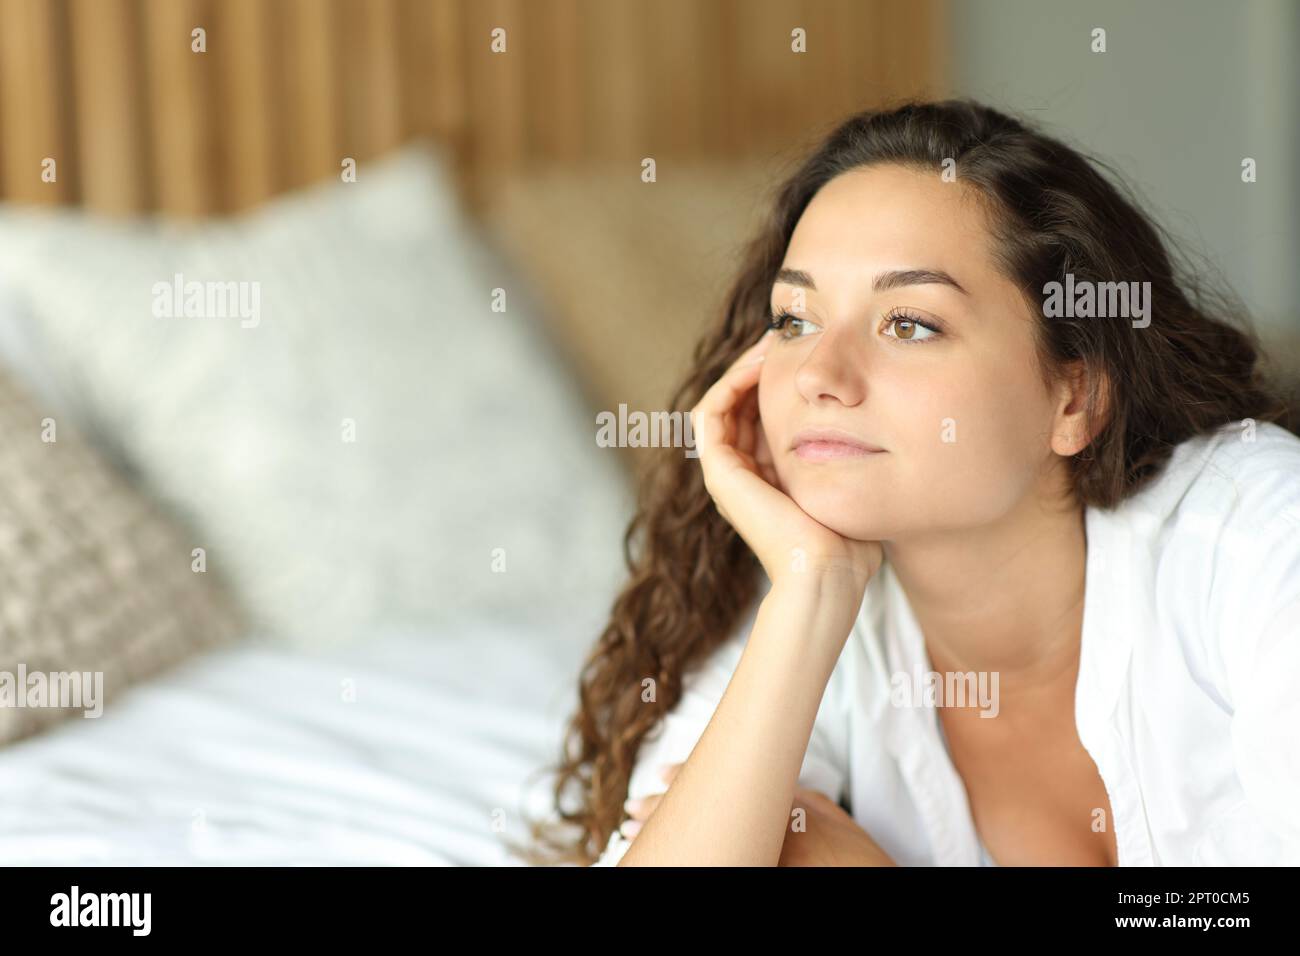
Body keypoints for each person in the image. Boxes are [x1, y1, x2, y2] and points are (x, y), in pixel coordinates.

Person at [529, 99, 1300, 866]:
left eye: (909, 324)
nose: (820, 377)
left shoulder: (1253, 534)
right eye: (795, 320)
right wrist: (811, 586)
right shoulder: (807, 617)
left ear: (1075, 397)